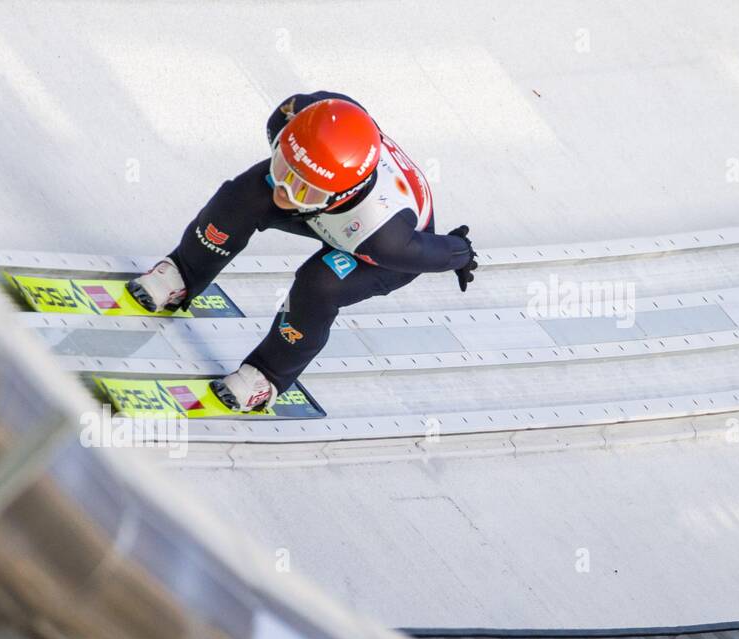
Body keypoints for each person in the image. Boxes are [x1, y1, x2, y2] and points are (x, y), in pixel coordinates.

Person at [128, 91, 478, 411]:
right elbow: (297, 159)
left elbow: (426, 252)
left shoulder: (385, 238)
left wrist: (460, 251)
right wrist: (297, 186)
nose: (282, 190)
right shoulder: (297, 115)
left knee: (319, 285)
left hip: (370, 247)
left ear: (340, 196)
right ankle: (184, 272)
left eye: (300, 188)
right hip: (326, 209)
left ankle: (267, 375)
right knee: (242, 197)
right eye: (282, 166)